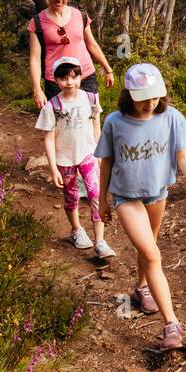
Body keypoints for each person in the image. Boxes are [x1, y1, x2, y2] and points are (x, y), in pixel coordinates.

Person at [96, 63, 186, 351]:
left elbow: (182, 156)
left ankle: (142, 286)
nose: (151, 103)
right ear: (129, 94)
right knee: (151, 253)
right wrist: (101, 200)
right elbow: (106, 162)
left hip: (157, 193)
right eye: (144, 97)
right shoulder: (114, 122)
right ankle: (172, 324)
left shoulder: (171, 117)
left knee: (151, 247)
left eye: (155, 96)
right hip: (126, 197)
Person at [36, 56, 116, 259]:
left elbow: (97, 126)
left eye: (74, 76)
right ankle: (76, 230)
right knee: (71, 196)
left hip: (88, 154)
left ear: (81, 76)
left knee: (96, 194)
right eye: (64, 78)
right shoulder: (52, 106)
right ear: (56, 80)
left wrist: (100, 153)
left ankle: (100, 241)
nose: (69, 82)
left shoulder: (90, 99)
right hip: (65, 159)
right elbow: (48, 139)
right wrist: (53, 168)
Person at [27, 0, 115, 110]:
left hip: (85, 75)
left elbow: (92, 45)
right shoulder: (37, 22)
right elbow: (35, 59)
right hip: (57, 79)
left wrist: (108, 69)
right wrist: (37, 89)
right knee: (60, 121)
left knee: (91, 116)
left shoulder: (80, 16)